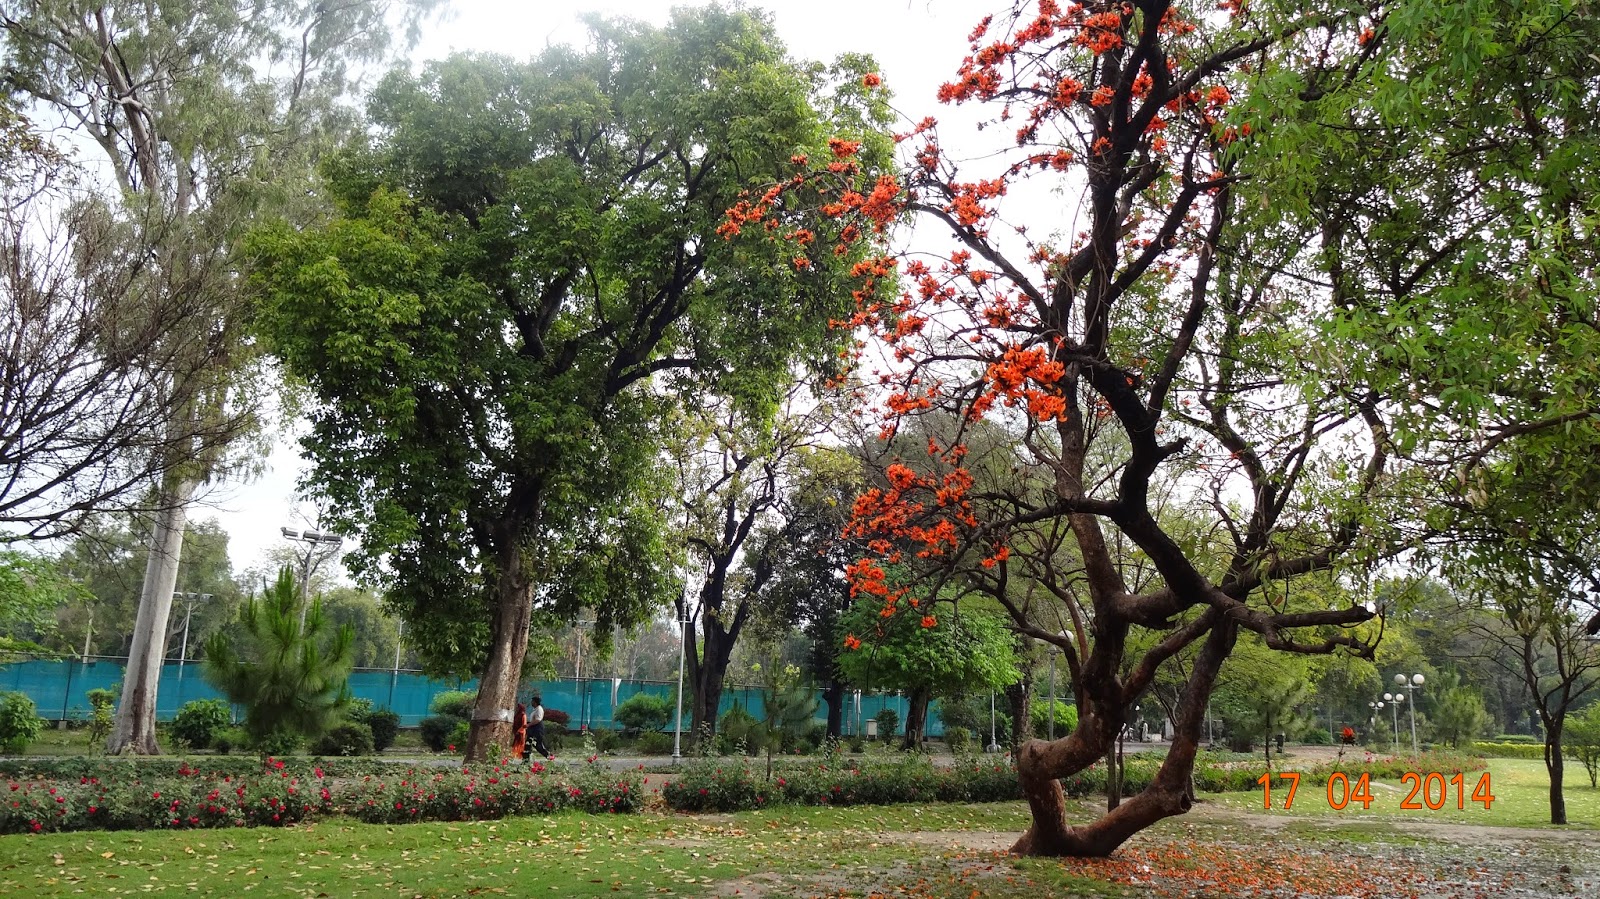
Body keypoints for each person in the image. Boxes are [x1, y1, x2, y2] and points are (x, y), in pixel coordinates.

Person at [528, 693, 552, 761]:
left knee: (538, 745)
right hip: (532, 728)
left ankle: (549, 756)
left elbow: (538, 720)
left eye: (532, 701)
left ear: (535, 702)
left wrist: (529, 724)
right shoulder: (535, 709)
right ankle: (526, 760)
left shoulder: (539, 709)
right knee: (528, 744)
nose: (531, 703)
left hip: (537, 729)